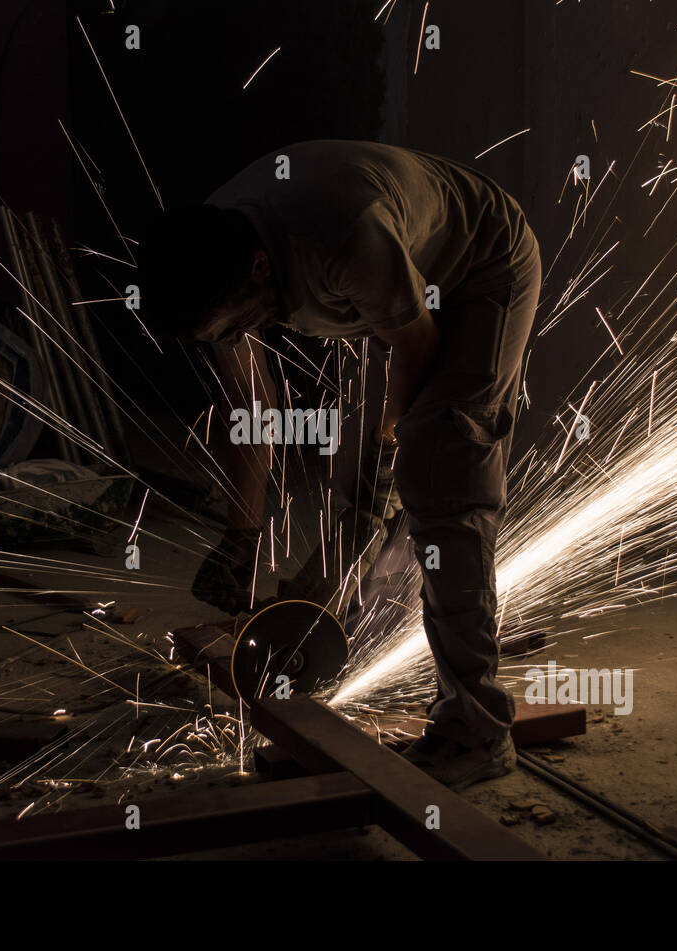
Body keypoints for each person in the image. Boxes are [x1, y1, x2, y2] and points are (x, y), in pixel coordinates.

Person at [140, 140, 541, 790]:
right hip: (389, 295)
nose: (231, 340)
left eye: (232, 327)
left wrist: (389, 446)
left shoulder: (343, 235)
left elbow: (418, 348)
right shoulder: (210, 259)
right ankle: (339, 612)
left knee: (440, 472)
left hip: (481, 272)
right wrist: (241, 535)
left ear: (262, 269)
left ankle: (477, 728)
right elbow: (252, 406)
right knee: (355, 488)